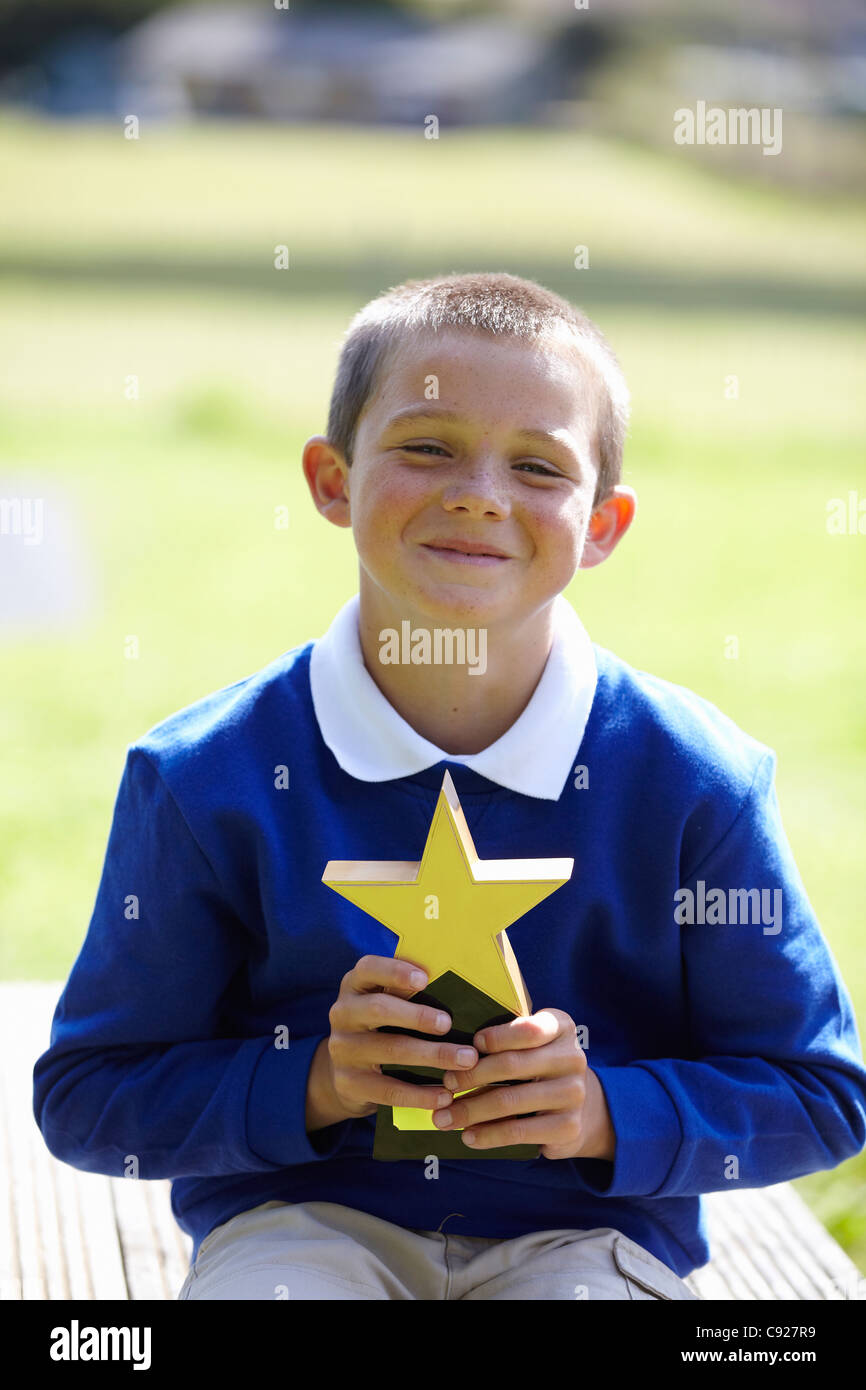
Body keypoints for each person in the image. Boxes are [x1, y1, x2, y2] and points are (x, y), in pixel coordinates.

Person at [32, 272, 866, 1301]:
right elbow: (87, 1098)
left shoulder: (695, 780)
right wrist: (315, 1082)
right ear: (331, 480)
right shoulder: (201, 777)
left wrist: (604, 1112)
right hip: (295, 1233)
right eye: (426, 446)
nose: (478, 492)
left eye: (536, 465)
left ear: (602, 524)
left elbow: (819, 1093)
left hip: (589, 1249)